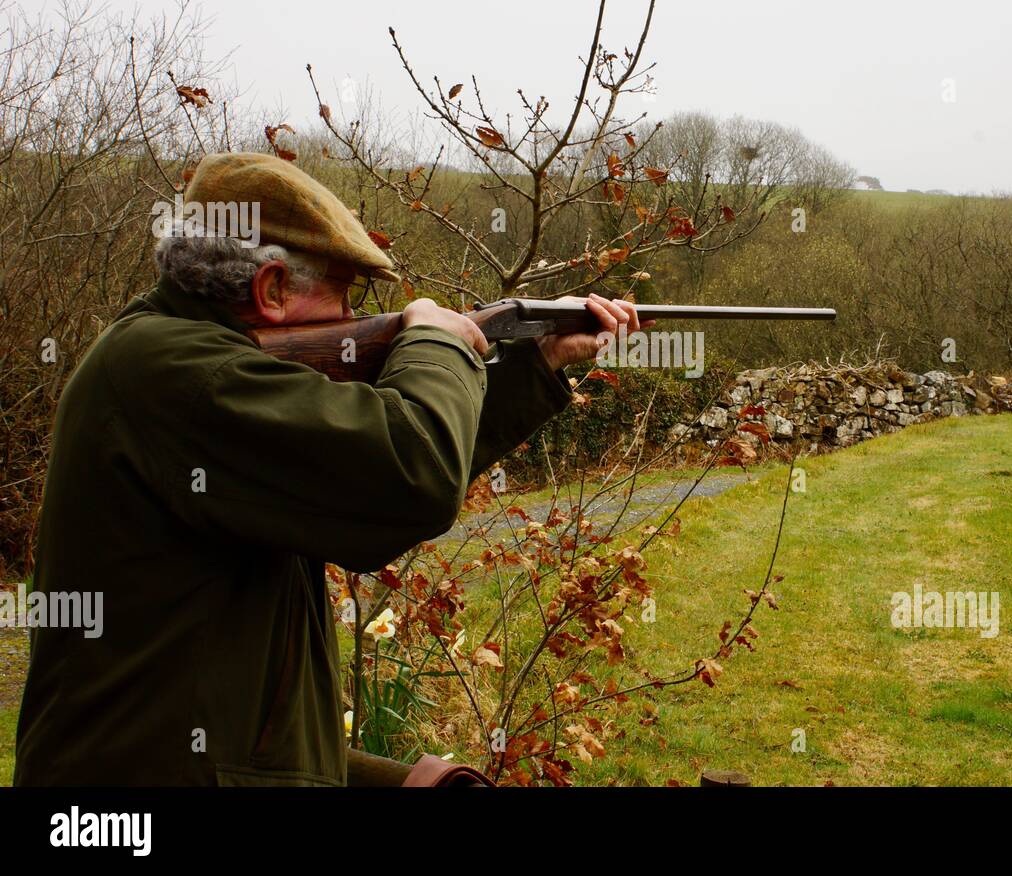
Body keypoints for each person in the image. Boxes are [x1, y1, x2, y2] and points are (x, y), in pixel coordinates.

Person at [14, 152, 646, 785]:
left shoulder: (176, 363)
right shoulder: (178, 372)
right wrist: (438, 341)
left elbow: (373, 484)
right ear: (272, 290)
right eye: (344, 294)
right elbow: (412, 473)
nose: (352, 321)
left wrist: (538, 362)